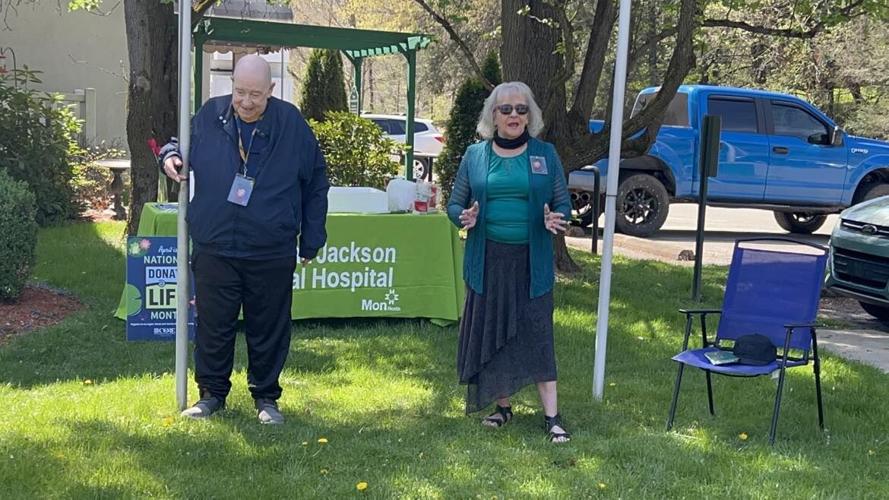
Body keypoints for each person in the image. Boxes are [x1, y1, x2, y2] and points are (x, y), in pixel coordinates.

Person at [159, 54, 329, 425]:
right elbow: (178, 146)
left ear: (271, 90)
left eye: (255, 94)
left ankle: (266, 398)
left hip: (270, 247)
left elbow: (316, 180)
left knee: (268, 327)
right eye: (240, 92)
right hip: (215, 244)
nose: (246, 102)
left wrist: (312, 238)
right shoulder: (211, 114)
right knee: (213, 326)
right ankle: (211, 395)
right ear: (232, 86)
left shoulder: (291, 124)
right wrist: (169, 157)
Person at [446, 81, 573, 442]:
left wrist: (557, 219)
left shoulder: (545, 154)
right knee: (495, 330)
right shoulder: (475, 155)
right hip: (487, 259)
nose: (514, 115)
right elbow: (454, 203)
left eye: (521, 109)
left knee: (538, 332)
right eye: (506, 109)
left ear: (529, 116)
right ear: (494, 115)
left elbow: (562, 203)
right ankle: (502, 407)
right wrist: (463, 217)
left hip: (532, 260)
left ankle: (552, 417)